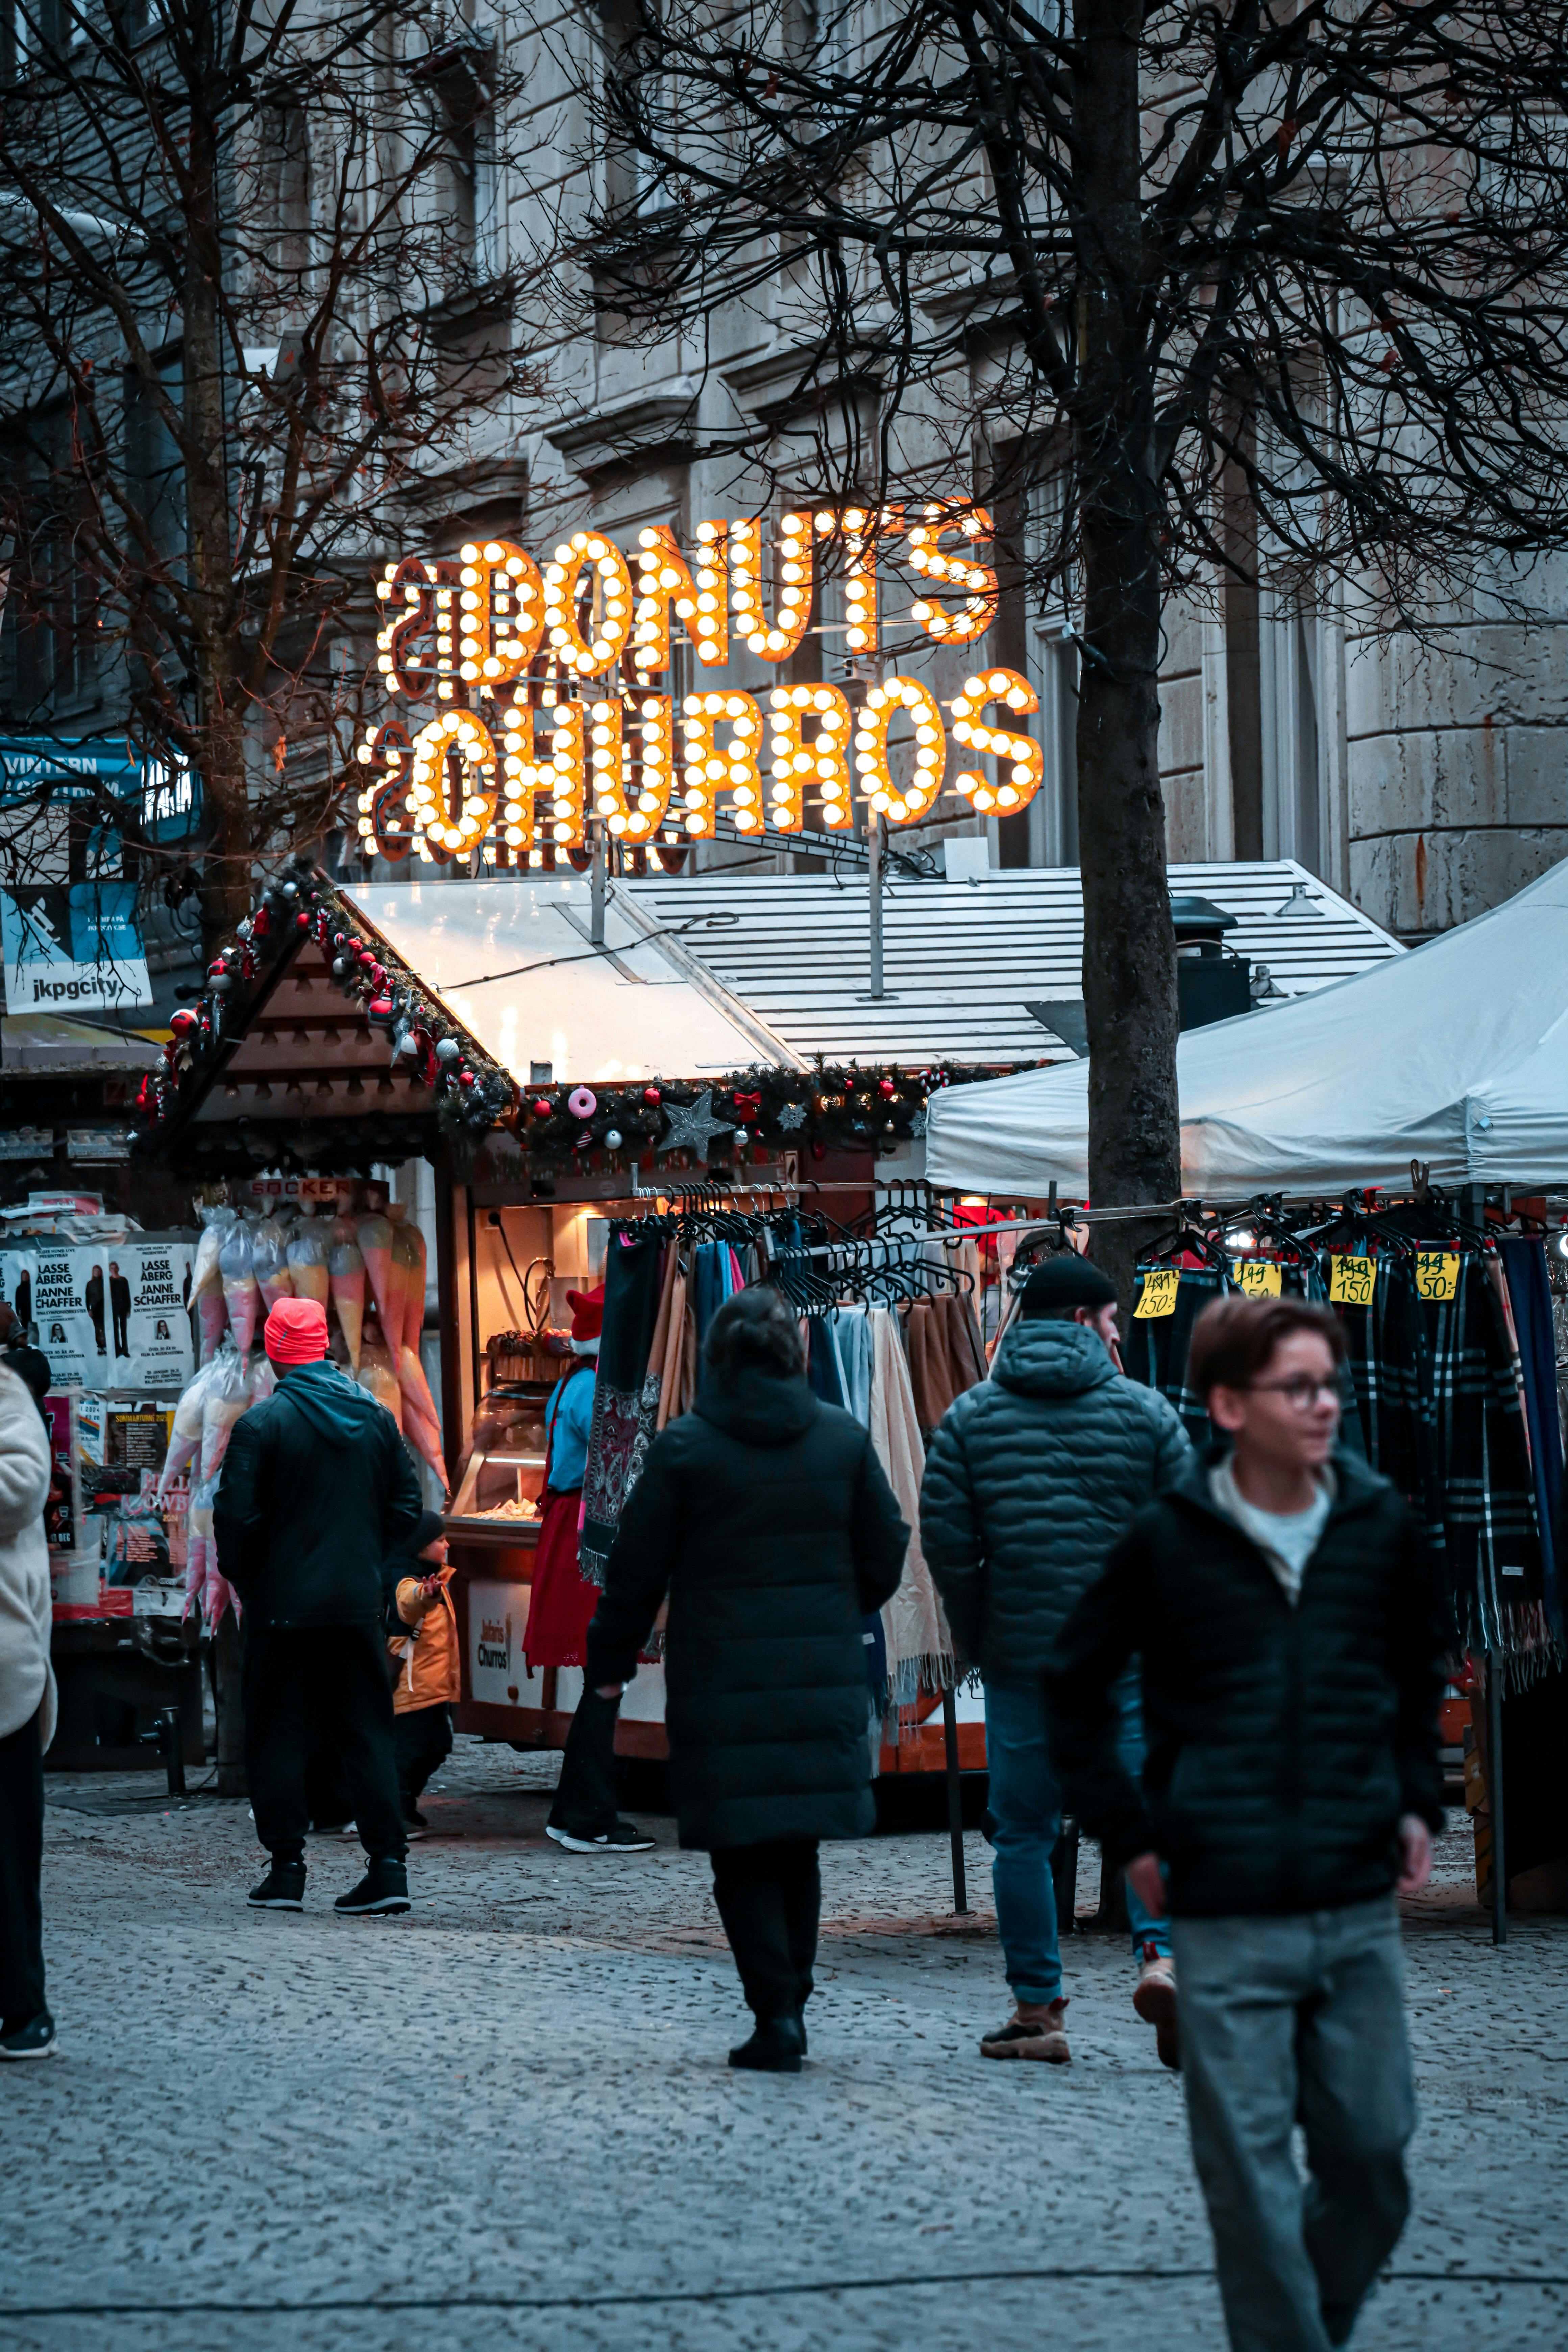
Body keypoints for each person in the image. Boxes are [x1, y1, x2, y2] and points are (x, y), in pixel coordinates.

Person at [1046, 1295, 1446, 2352]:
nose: (1322, 1406)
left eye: (1329, 1385)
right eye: (1296, 1387)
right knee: (1249, 2175)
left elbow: (1416, 1674)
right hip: (1221, 1905)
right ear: (1226, 1404)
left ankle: (1298, 2325)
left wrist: (1414, 1794)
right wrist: (1127, 1837)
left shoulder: (1374, 1521)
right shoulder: (1169, 1542)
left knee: (1372, 2159)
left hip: (1354, 1899)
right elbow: (1071, 1686)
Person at [585, 1285, 909, 2071]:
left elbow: (634, 1572)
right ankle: (788, 1997)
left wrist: (609, 1666)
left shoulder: (686, 1447)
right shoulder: (839, 1438)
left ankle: (775, 2011)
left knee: (741, 1850)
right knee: (795, 1845)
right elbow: (888, 1544)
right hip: (817, 1671)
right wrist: (842, 1607)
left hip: (720, 1674)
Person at [920, 1253, 1192, 2064]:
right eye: (1110, 1320)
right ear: (1081, 1320)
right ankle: (1165, 1957)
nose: (1117, 1335)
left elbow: (944, 1542)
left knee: (1022, 1834)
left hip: (1022, 1658)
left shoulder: (970, 1418)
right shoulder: (1146, 1415)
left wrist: (980, 1631)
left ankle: (1037, 2012)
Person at [213, 1294, 424, 1917]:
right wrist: (370, 1569)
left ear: (277, 1354)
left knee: (277, 1733)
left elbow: (236, 1522)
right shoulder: (377, 1418)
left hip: (282, 1609)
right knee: (367, 1733)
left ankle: (287, 1870)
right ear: (326, 1349)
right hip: (356, 1605)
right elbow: (407, 1510)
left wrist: (253, 1583)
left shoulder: (260, 1425)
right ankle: (387, 1868)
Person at [0, 1354, 56, 2058]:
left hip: (2, 1678)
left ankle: (20, 2008)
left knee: (7, 1856)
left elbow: (20, 1484)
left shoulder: (3, 1388)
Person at [385, 1509, 459, 1834]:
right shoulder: (409, 1578)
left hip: (431, 1686)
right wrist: (425, 1595)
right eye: (440, 1540)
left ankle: (405, 1802)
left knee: (436, 1745)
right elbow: (407, 1602)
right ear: (419, 1546)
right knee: (412, 1750)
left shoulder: (435, 1575)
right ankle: (394, 1810)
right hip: (413, 1687)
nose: (446, 1545)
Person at [108, 1261, 131, 1357]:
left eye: (115, 1268)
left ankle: (125, 1350)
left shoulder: (124, 1280)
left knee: (124, 1330)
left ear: (118, 1269)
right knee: (115, 1330)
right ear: (110, 1270)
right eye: (112, 1268)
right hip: (113, 1308)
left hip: (123, 1307)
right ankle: (118, 1350)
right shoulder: (108, 1281)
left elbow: (128, 1294)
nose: (114, 1270)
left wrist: (129, 1309)